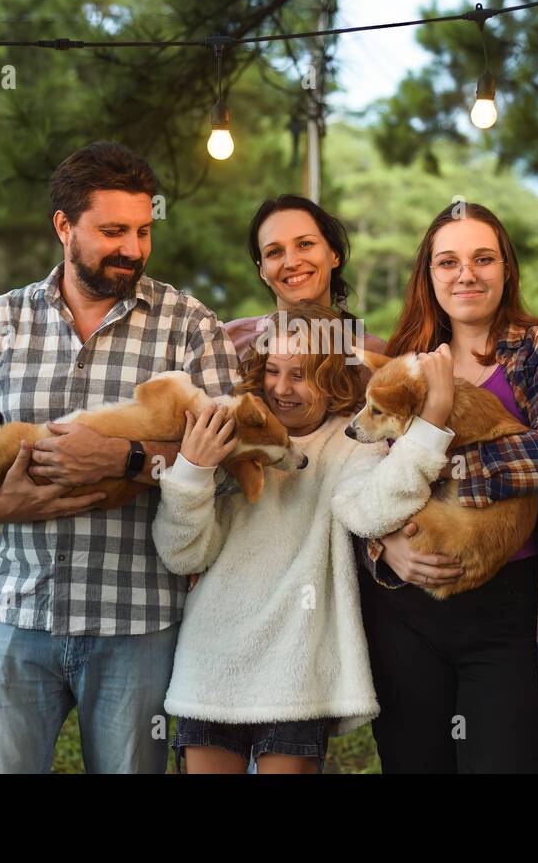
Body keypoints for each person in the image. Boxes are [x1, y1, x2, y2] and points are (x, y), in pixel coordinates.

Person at [0, 141, 241, 773]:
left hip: (139, 622)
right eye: (113, 230)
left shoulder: (191, 326)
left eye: (144, 230)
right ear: (64, 227)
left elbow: (226, 464)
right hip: (15, 613)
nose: (134, 248)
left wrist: (127, 458)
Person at [357, 201, 538, 773]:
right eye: (447, 261)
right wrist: (383, 546)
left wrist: (442, 465)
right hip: (402, 608)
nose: (465, 273)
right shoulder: (405, 365)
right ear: (429, 275)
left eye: (483, 258)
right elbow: (360, 477)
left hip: (511, 604)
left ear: (506, 270)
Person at [151, 302, 457, 773]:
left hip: (297, 672)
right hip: (212, 662)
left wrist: (431, 429)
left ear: (334, 378)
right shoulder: (233, 433)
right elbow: (184, 553)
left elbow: (372, 511)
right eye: (272, 370)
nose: (281, 388)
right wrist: (192, 473)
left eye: (301, 375)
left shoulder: (352, 444)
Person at [224, 194, 386, 364]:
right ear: (262, 271)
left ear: (334, 255)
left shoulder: (375, 357)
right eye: (274, 252)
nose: (291, 263)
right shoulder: (228, 342)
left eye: (305, 244)